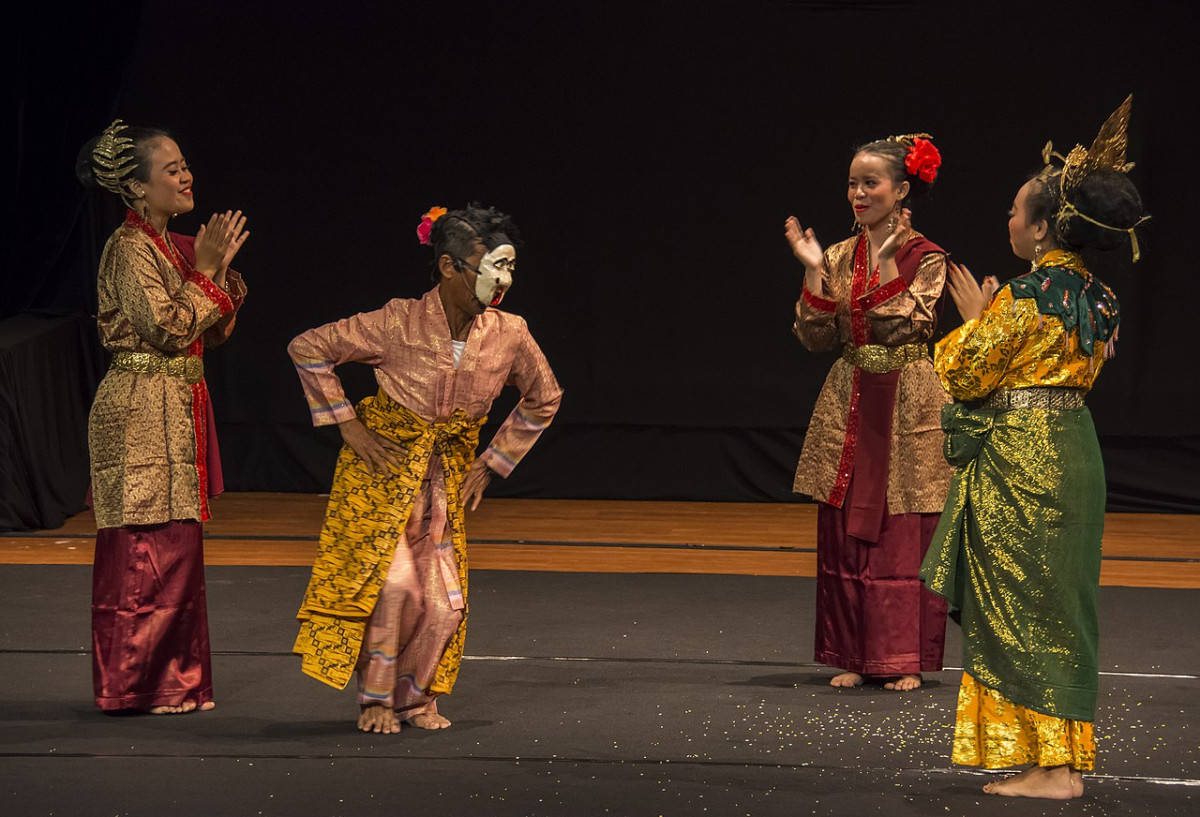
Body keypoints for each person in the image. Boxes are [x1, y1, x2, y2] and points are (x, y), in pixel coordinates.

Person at [920, 96, 1147, 799]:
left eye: (1017, 210)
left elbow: (963, 372)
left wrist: (974, 318)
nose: (1009, 218)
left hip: (1024, 458)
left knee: (1023, 606)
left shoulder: (1025, 297)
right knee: (1062, 606)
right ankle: (1057, 759)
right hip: (1075, 451)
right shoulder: (1102, 300)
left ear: (1044, 226)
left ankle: (1051, 770)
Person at [288, 203, 562, 734]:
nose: (504, 281)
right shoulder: (397, 322)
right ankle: (375, 700)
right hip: (380, 479)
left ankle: (413, 700)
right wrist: (348, 425)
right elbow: (308, 348)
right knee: (393, 588)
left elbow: (544, 396)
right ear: (449, 267)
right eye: (493, 267)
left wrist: (492, 463)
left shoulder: (509, 332)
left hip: (442, 486)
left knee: (443, 605)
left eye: (510, 268)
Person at [77, 120, 249, 713]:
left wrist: (213, 270)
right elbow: (167, 328)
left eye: (185, 166)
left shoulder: (170, 246)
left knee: (176, 550)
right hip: (138, 408)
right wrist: (206, 272)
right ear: (136, 187)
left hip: (177, 405)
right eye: (172, 169)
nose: (186, 176)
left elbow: (211, 331)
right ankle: (133, 685)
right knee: (141, 553)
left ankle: (176, 681)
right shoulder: (127, 249)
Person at [785, 133, 952, 691]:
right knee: (845, 530)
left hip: (906, 399)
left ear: (901, 190)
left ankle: (902, 656)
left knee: (902, 529)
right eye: (852, 183)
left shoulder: (926, 257)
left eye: (870, 183)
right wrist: (813, 271)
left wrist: (884, 264)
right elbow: (815, 338)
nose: (858, 193)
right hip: (850, 394)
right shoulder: (836, 255)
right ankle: (852, 652)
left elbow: (908, 325)